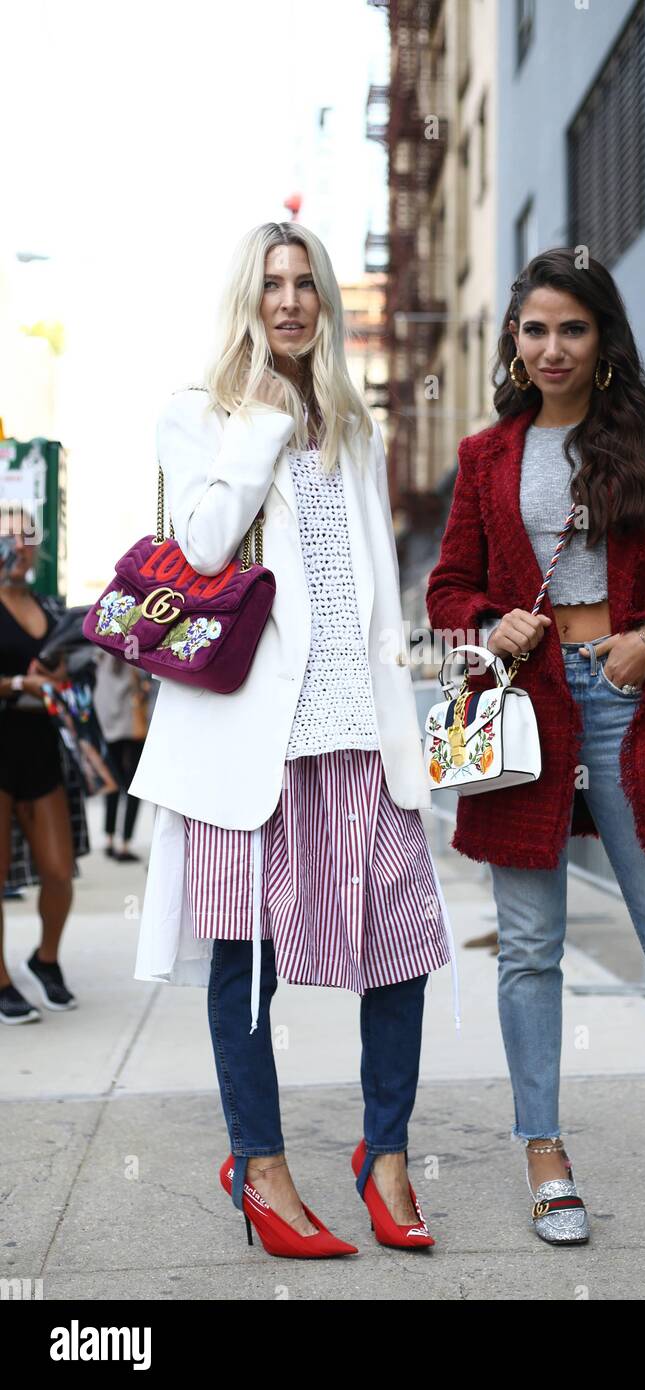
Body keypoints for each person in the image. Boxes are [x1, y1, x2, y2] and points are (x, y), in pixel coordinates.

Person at [425, 248, 645, 1245]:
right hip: (524, 709)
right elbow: (448, 587)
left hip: (630, 701)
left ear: (603, 341)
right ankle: (544, 1154)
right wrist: (488, 619)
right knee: (529, 948)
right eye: (536, 329)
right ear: (514, 341)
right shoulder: (485, 457)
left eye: (573, 329)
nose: (553, 348)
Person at [125, 221, 459, 1259]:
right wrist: (261, 423)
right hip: (248, 741)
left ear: (324, 300)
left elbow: (372, 591)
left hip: (358, 728)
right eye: (271, 282)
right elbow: (201, 546)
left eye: (305, 282)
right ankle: (261, 1168)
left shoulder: (353, 428)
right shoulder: (197, 413)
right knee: (244, 956)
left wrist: (405, 712)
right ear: (248, 297)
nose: (289, 300)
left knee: (399, 940)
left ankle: (385, 1154)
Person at [0, 503, 80, 1022]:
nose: (18, 546)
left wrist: (56, 678)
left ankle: (45, 958)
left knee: (58, 870)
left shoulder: (50, 606)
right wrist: (16, 684)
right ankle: (1, 982)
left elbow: (67, 674)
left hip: (39, 744)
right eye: (8, 537)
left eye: (26, 537)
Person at [92, 651, 152, 862]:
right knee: (134, 784)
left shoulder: (100, 650)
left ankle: (109, 839)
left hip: (108, 725)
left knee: (112, 783)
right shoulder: (134, 648)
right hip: (132, 724)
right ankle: (125, 843)